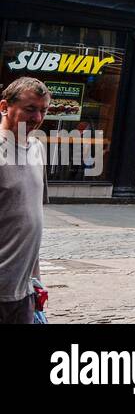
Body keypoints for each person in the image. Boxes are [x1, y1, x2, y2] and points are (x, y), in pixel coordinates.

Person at [1, 77, 50, 324]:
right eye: (30, 109)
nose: (37, 118)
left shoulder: (37, 148)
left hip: (24, 290)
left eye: (43, 110)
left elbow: (32, 218)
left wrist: (36, 279)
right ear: (4, 107)